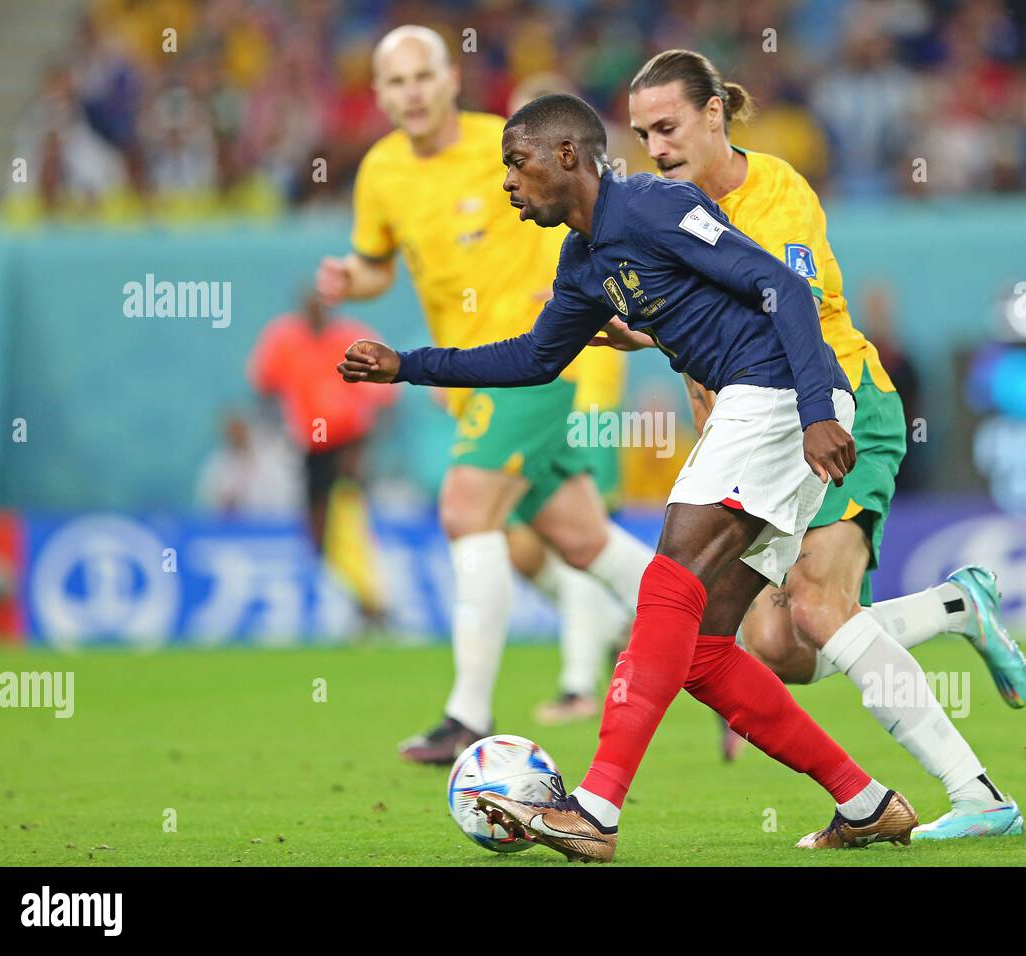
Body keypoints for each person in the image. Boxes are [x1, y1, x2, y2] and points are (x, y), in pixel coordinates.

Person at [338, 92, 918, 861]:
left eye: (518, 162)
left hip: (775, 394)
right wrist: (406, 367)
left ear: (569, 156)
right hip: (760, 405)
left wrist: (816, 407)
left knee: (665, 585)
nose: (509, 182)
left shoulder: (651, 205)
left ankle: (598, 809)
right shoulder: (581, 265)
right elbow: (533, 359)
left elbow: (778, 284)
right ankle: (866, 802)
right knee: (705, 651)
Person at [598, 49, 1026, 840]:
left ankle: (978, 798)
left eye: (668, 128)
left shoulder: (776, 196)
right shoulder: (663, 213)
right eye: (641, 134)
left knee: (818, 605)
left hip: (837, 408)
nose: (654, 149)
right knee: (779, 647)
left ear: (714, 115)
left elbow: (778, 326)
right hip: (758, 438)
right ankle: (955, 606)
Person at [316, 26, 649, 763]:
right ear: (379, 94)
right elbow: (377, 265)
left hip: (532, 362)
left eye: (423, 76)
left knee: (465, 508)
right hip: (473, 380)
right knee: (580, 539)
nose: (412, 92)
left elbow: (588, 195)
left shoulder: (501, 143)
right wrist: (351, 279)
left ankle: (467, 715)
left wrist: (576, 282)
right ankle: (710, 624)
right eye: (395, 81)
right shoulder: (380, 172)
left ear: (449, 80)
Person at [248, 289, 395, 626]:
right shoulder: (283, 339)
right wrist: (272, 433)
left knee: (347, 523)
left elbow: (385, 395)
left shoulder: (352, 340)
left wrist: (363, 449)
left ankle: (374, 603)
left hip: (347, 447)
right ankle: (366, 603)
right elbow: (265, 388)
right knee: (317, 533)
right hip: (311, 448)